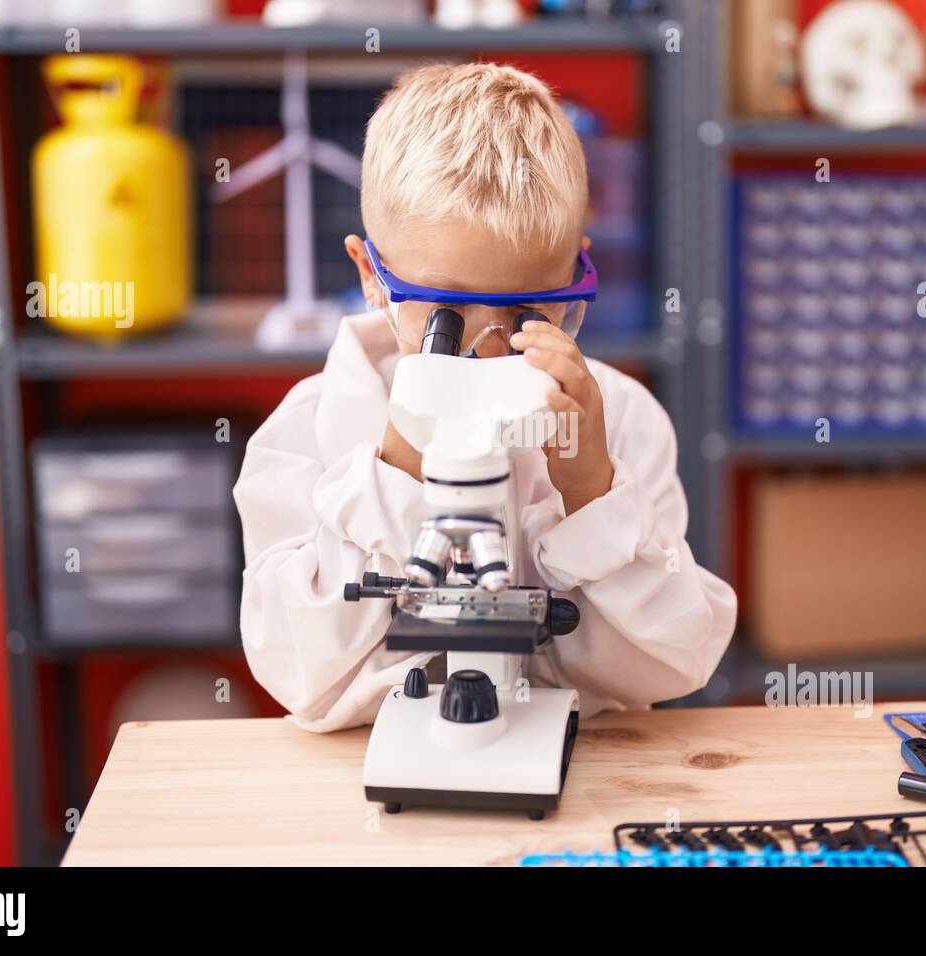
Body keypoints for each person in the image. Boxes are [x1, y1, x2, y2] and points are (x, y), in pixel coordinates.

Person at [234, 62, 737, 733]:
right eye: (444, 311)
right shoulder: (306, 429)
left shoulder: (625, 421)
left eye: (530, 311)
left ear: (576, 271)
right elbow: (293, 668)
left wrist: (593, 493)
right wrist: (395, 468)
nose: (490, 346)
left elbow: (678, 660)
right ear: (371, 276)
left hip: (589, 769)